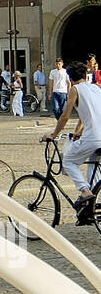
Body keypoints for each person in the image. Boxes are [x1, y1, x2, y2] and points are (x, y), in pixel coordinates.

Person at [42, 62, 101, 223]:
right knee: (93, 168)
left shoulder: (75, 90)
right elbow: (89, 113)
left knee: (68, 161)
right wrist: (79, 131)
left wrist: (53, 134)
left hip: (93, 137)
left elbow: (65, 116)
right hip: (98, 136)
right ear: (84, 75)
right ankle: (90, 207)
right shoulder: (96, 88)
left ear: (70, 77)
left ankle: (85, 193)